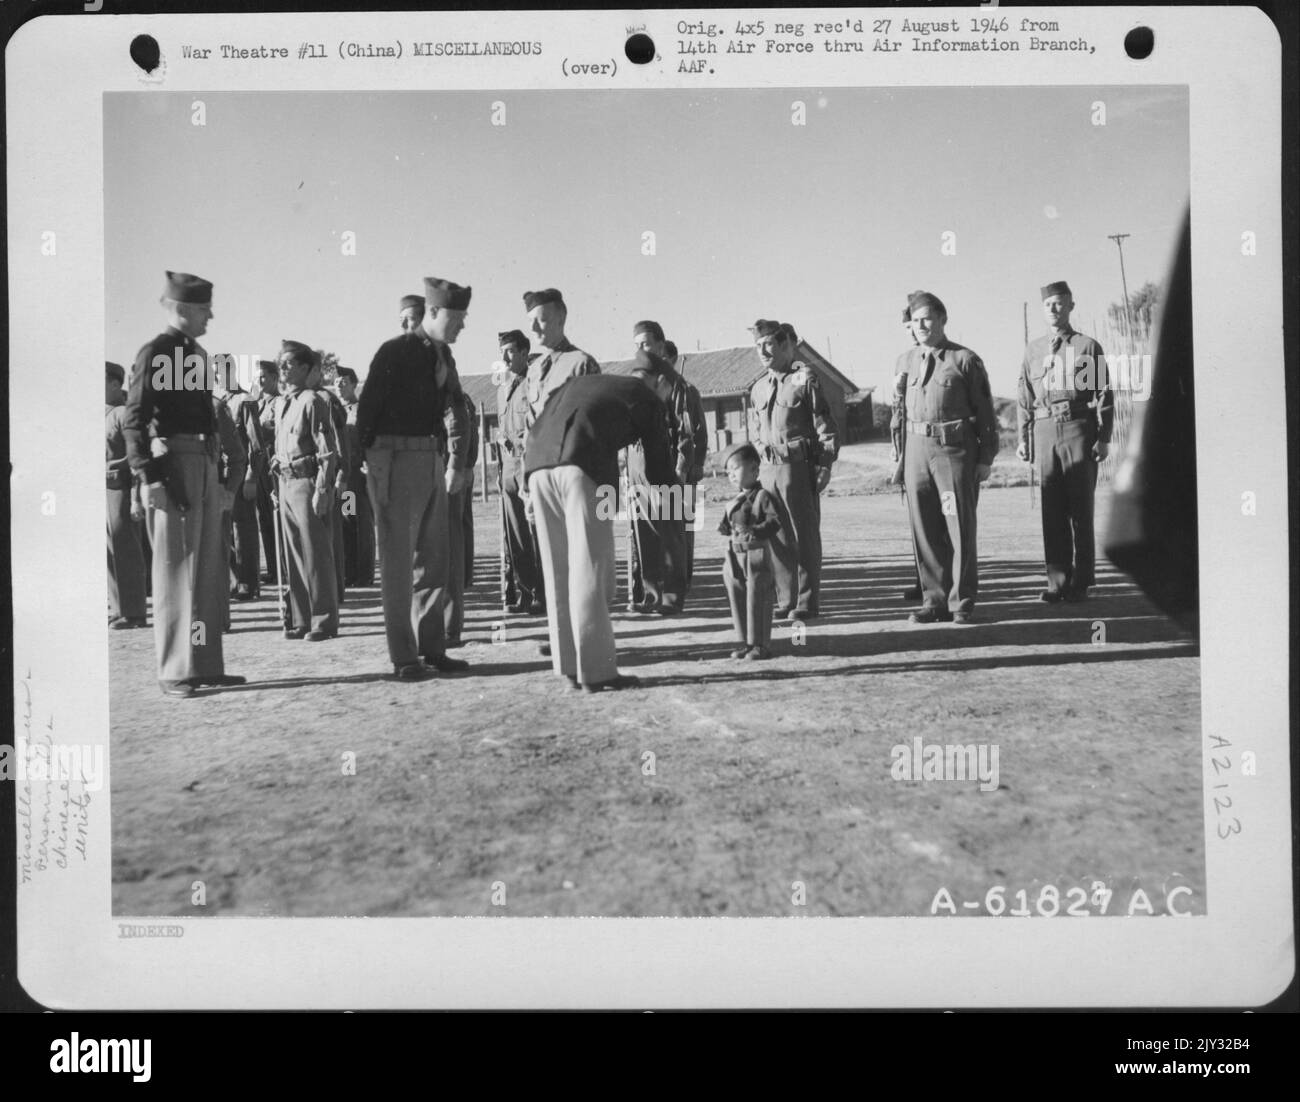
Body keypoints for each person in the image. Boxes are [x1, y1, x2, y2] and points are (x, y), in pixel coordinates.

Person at [122, 271, 245, 697]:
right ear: (183, 309)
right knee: (176, 569)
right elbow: (134, 419)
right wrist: (148, 476)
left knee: (207, 568)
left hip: (205, 460)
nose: (210, 315)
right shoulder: (156, 351)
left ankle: (204, 662)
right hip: (175, 465)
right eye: (204, 308)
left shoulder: (195, 352)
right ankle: (175, 670)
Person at [522, 373, 673, 692]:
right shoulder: (648, 397)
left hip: (537, 468)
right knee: (590, 569)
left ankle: (569, 665)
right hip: (582, 467)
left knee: (558, 571)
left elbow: (537, 426)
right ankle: (598, 672)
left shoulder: (580, 384)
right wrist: (675, 504)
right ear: (661, 381)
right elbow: (658, 463)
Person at [356, 277, 472, 680]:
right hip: (395, 460)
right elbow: (366, 413)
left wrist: (457, 460)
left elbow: (456, 407)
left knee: (434, 561)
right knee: (399, 565)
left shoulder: (443, 357)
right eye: (456, 318)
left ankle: (433, 648)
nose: (461, 326)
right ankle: (404, 657)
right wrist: (375, 466)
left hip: (431, 460)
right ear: (434, 313)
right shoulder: (396, 351)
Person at [894, 291, 999, 624]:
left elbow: (985, 413)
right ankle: (934, 600)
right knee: (923, 526)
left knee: (957, 525)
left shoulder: (964, 360)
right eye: (915, 319)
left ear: (942, 319)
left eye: (927, 317)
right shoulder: (905, 361)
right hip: (916, 452)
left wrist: (986, 458)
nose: (921, 324)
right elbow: (898, 412)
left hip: (953, 452)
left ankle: (961, 600)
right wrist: (900, 458)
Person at [1017, 281, 1114, 603]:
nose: (1054, 309)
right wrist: (1024, 437)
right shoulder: (1033, 351)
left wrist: (1103, 438)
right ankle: (1057, 582)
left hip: (1077, 427)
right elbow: (1024, 398)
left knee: (1080, 509)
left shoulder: (1086, 347)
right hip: (1044, 429)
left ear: (1071, 306)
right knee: (1052, 509)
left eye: (1060, 303)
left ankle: (1082, 581)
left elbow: (1102, 395)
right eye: (1048, 305)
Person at [746, 319, 837, 621]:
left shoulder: (804, 378)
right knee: (778, 538)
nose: (763, 351)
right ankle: (787, 599)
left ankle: (808, 602)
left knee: (804, 536)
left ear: (786, 344)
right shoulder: (758, 388)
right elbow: (756, 431)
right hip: (768, 470)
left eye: (769, 344)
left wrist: (824, 465)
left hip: (797, 468)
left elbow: (825, 426)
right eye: (758, 346)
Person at [270, 341, 341, 641]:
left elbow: (328, 450)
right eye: (281, 363)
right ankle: (300, 619)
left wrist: (323, 489)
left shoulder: (313, 401)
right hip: (285, 483)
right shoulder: (283, 403)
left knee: (316, 553)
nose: (283, 368)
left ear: (306, 368)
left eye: (289, 363)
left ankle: (323, 621)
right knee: (293, 554)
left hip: (307, 482)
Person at [626, 321, 693, 614]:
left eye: (646, 344)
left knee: (670, 536)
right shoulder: (637, 385)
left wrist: (679, 471)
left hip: (665, 468)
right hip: (638, 469)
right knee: (645, 536)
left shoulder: (677, 386)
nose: (641, 350)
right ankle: (651, 595)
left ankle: (672, 597)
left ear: (661, 346)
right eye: (636, 344)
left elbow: (687, 433)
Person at [495, 330, 545, 614]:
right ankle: (525, 593)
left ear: (526, 352)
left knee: (536, 534)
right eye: (501, 351)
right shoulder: (503, 388)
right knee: (515, 537)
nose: (504, 357)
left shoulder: (535, 383)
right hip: (508, 470)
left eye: (511, 351)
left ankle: (543, 594)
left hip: (529, 467)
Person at [717, 443, 781, 660]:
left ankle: (761, 645)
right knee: (738, 599)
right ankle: (745, 642)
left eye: (735, 468)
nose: (731, 475)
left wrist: (755, 530)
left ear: (754, 469)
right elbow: (725, 527)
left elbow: (775, 522)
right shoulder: (733, 502)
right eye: (728, 471)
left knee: (758, 597)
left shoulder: (763, 497)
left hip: (755, 554)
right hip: (734, 555)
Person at [214, 353, 263, 602]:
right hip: (223, 474)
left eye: (220, 371)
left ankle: (248, 583)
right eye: (214, 371)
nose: (217, 376)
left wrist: (252, 477)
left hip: (241, 473)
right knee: (229, 532)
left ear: (231, 372)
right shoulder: (221, 401)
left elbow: (255, 444)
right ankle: (234, 580)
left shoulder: (244, 400)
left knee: (243, 530)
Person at [106, 361, 148, 629]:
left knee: (127, 551)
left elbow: (137, 456)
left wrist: (135, 497)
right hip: (105, 490)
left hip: (122, 488)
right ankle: (118, 607)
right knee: (110, 553)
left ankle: (134, 612)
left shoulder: (124, 414)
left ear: (114, 383)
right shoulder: (102, 414)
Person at [522, 288, 601, 426]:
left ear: (561, 319)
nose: (533, 328)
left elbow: (593, 425)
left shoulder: (580, 364)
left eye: (541, 319)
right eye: (530, 321)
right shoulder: (533, 370)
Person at [890, 299, 924, 602]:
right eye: (907, 326)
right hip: (909, 448)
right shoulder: (903, 360)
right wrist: (896, 448)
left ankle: (948, 581)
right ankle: (923, 578)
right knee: (918, 520)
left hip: (935, 447)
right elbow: (897, 410)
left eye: (915, 323)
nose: (912, 331)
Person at [668, 339, 709, 590]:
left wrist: (697, 464)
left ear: (672, 360)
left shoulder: (688, 391)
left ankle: (683, 578)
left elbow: (700, 432)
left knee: (683, 527)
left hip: (684, 469)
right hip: (657, 469)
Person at [212, 385, 249, 633]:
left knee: (215, 560)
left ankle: (215, 622)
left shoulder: (215, 408)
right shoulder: (161, 409)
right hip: (174, 501)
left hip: (211, 494)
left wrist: (229, 491)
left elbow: (237, 456)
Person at [443, 386, 477, 643]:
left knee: (458, 528)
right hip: (353, 483)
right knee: (348, 520)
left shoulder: (456, 399)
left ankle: (465, 575)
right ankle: (353, 575)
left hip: (452, 472)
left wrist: (465, 466)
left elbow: (468, 433)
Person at [336, 367, 375, 587]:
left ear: (354, 384)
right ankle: (349, 572)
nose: (339, 386)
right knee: (347, 521)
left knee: (363, 524)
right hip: (345, 478)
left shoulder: (362, 409)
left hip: (360, 476)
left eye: (343, 382)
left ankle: (365, 574)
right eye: (336, 382)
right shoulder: (337, 409)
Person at [253, 359, 286, 588]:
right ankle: (274, 570)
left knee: (280, 516)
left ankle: (284, 568)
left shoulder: (280, 402)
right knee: (265, 517)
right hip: (260, 467)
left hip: (276, 465)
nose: (260, 380)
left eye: (264, 376)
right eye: (258, 376)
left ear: (275, 377)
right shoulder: (258, 403)